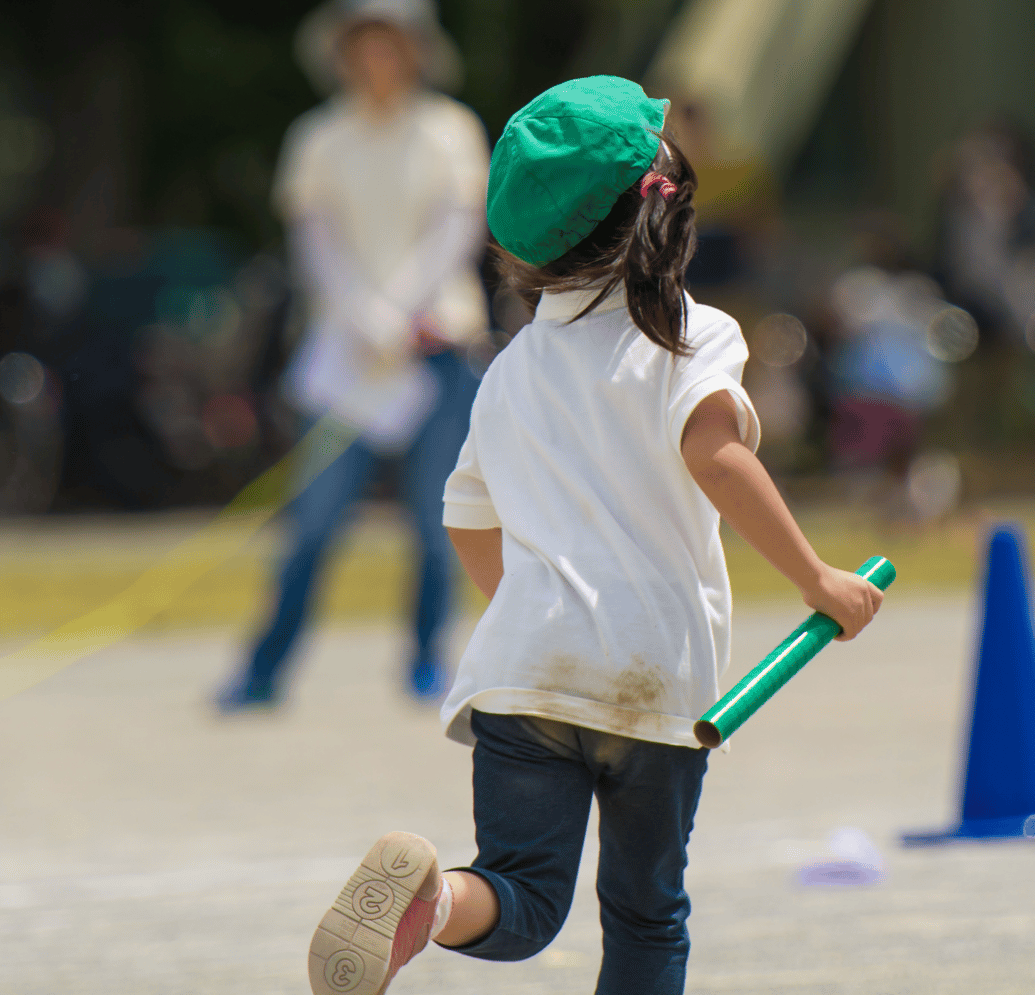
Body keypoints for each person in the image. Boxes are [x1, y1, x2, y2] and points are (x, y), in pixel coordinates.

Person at [304, 76, 883, 995]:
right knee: (648, 915)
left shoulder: (512, 368)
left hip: (521, 671)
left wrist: (540, 608)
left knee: (522, 896)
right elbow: (719, 460)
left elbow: (466, 522)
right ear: (667, 211)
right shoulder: (693, 334)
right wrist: (821, 581)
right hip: (651, 680)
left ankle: (436, 903)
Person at [219, 0, 490, 709]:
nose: (376, 59)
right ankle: (266, 668)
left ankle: (428, 664)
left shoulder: (450, 129)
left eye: (390, 45)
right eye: (362, 44)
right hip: (345, 355)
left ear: (416, 52)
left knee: (440, 526)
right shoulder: (318, 138)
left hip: (437, 351)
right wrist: (362, 317)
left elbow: (454, 228)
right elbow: (317, 238)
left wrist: (401, 312)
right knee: (312, 523)